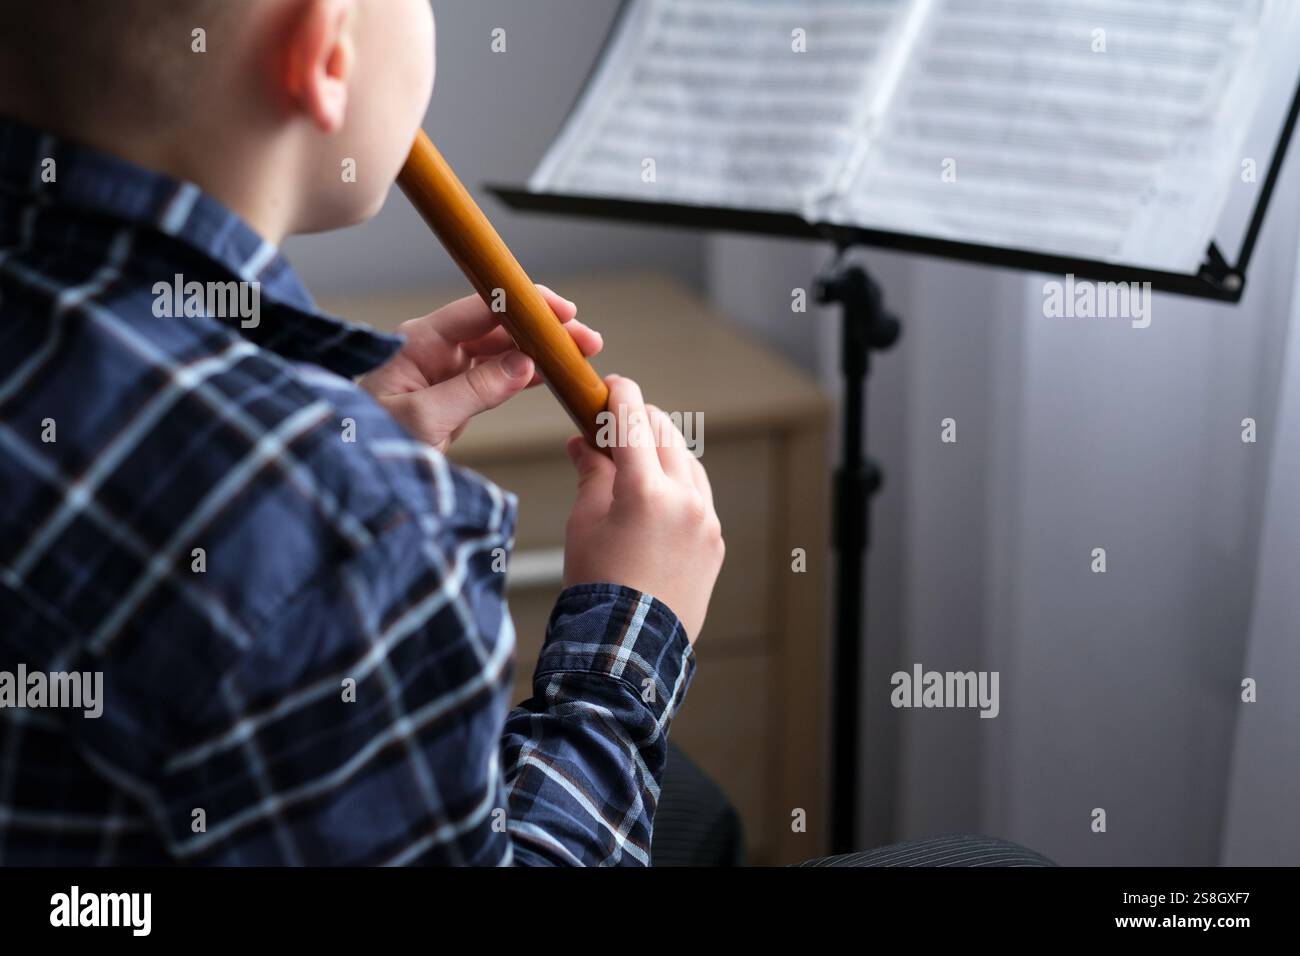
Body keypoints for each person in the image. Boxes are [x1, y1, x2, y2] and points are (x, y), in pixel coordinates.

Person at [0, 0, 725, 866]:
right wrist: (627, 644)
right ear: (323, 52)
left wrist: (310, 451)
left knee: (697, 812)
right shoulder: (361, 537)